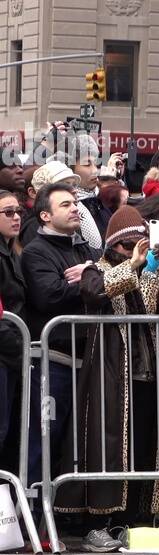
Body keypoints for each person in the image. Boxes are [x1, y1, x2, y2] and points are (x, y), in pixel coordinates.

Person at [54, 208, 159, 551]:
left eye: (135, 244)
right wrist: (134, 264)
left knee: (141, 445)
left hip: (147, 374)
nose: (132, 250)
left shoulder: (145, 272)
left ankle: (128, 520)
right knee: (107, 445)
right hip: (109, 373)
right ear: (112, 246)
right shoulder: (97, 269)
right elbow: (94, 292)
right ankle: (96, 523)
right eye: (125, 246)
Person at [20, 183, 102, 486]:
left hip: (87, 361)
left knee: (78, 444)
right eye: (65, 204)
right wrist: (87, 280)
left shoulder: (85, 248)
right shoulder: (34, 252)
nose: (74, 208)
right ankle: (35, 515)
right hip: (53, 364)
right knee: (44, 440)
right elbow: (49, 295)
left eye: (75, 203)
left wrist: (90, 271)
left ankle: (68, 517)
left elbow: (103, 282)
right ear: (44, 215)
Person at [0, 191, 25, 462]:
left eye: (18, 211)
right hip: (8, 353)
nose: (16, 217)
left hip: (13, 356)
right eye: (8, 212)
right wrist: (20, 348)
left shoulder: (15, 252)